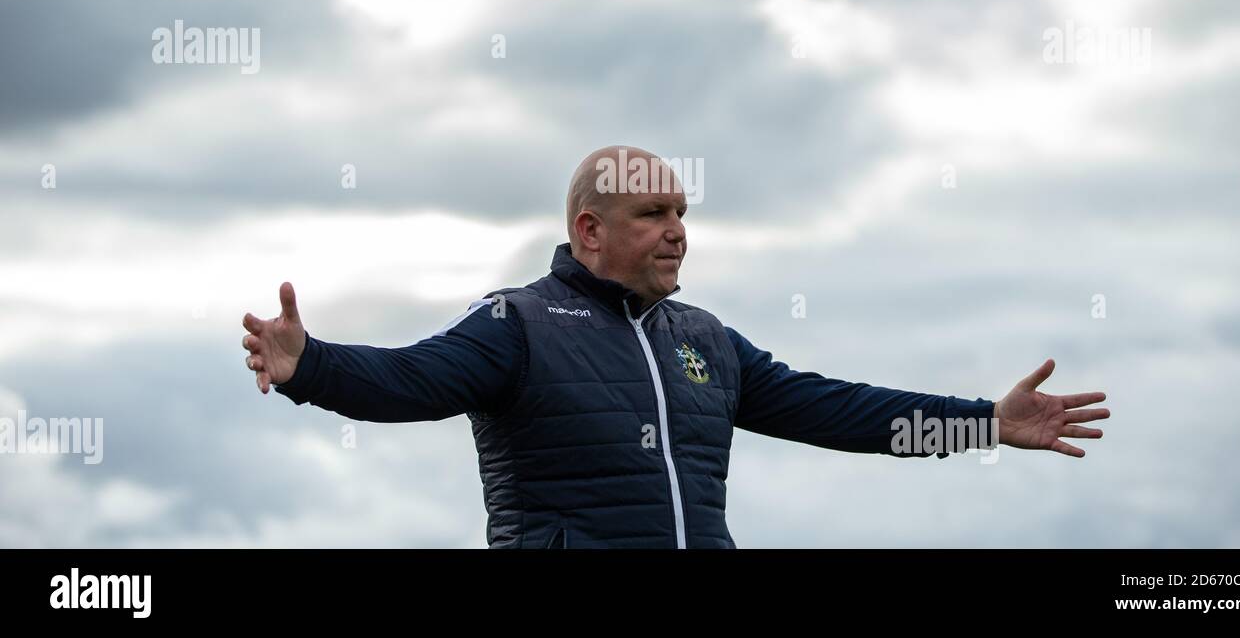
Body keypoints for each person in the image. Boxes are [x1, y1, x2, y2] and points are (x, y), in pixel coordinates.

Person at [240, 145, 1109, 548]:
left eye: (683, 214)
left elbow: (842, 411)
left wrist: (983, 424)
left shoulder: (706, 341)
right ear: (589, 229)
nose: (677, 233)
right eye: (654, 215)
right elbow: (409, 382)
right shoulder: (518, 324)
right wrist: (310, 363)